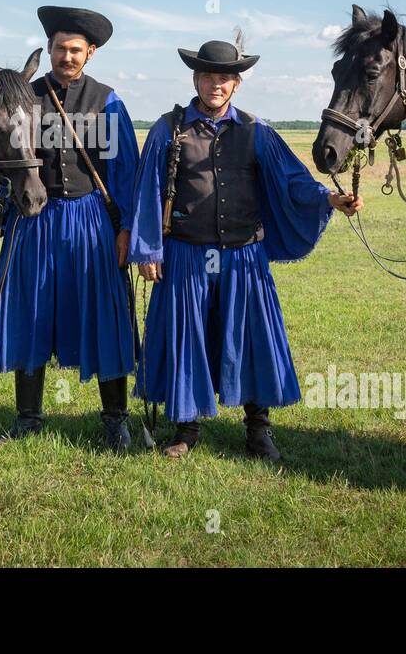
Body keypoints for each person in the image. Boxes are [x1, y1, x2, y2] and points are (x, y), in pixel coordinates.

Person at [129, 38, 363, 461]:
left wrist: (330, 198)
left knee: (252, 341)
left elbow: (293, 179)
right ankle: (186, 428)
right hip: (186, 255)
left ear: (236, 83)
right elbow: (146, 190)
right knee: (189, 340)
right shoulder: (169, 127)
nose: (215, 85)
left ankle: (258, 430)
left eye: (223, 78)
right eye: (207, 77)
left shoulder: (257, 131)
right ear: (195, 78)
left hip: (243, 258)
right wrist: (148, 251)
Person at [0, 6, 140, 451]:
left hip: (90, 219)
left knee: (105, 313)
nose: (67, 56)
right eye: (60, 49)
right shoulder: (25, 97)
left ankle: (115, 420)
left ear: (90, 53)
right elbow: (1, 153)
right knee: (29, 310)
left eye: (76, 50)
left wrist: (127, 229)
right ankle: (28, 418)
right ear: (50, 50)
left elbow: (125, 171)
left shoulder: (107, 101)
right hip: (34, 220)